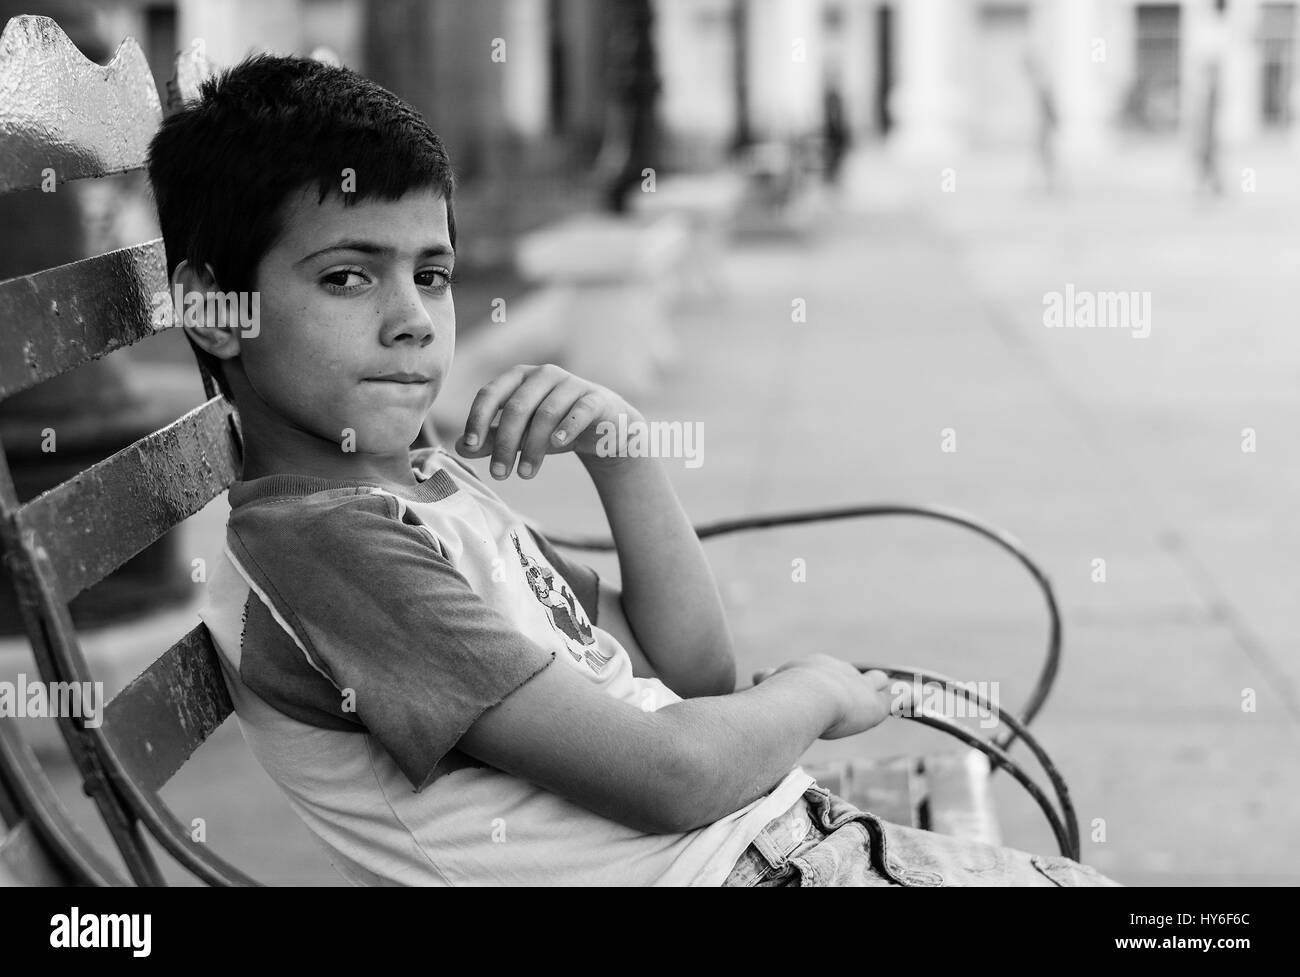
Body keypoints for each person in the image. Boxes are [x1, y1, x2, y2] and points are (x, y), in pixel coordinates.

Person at [150, 54, 1120, 887]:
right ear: (218, 306)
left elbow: (686, 670)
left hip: (775, 845)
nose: (411, 317)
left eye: (432, 274)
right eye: (347, 277)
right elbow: (672, 775)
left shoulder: (420, 490)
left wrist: (623, 456)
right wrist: (819, 691)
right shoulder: (330, 544)